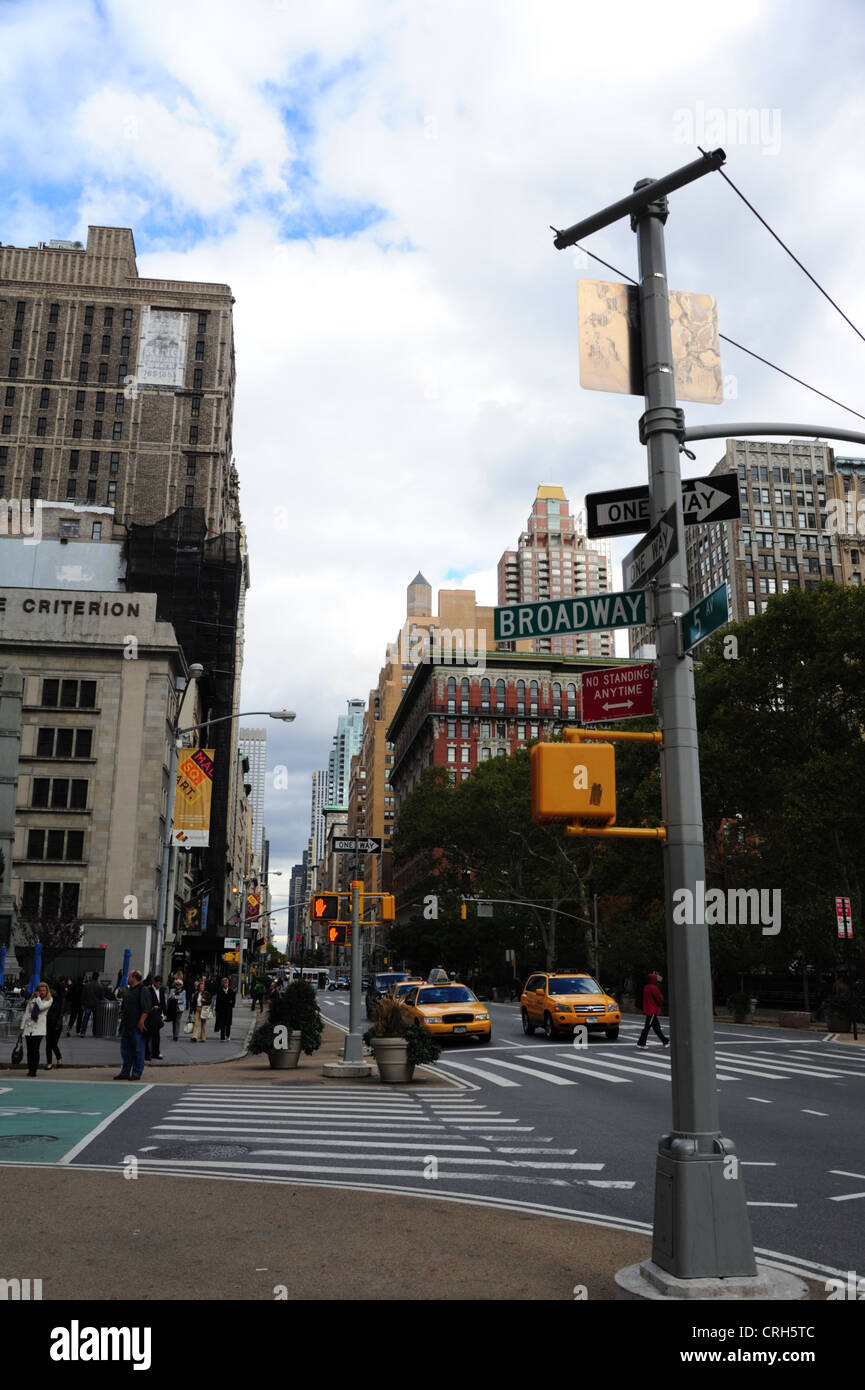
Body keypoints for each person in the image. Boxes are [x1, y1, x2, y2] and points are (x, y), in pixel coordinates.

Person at [114, 970, 154, 1080]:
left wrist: (141, 1022)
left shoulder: (143, 990)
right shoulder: (130, 990)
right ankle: (125, 1072)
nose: (128, 978)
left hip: (136, 1026)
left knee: (138, 1050)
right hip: (127, 1024)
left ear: (134, 978)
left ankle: (136, 1073)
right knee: (126, 1050)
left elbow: (146, 1009)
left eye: (129, 976)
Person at [18, 982, 52, 1076]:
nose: (42, 992)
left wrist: (37, 998)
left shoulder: (49, 1000)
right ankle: (30, 1069)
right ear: (37, 990)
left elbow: (41, 1007)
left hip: (39, 1028)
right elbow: (26, 1014)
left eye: (44, 990)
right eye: (40, 990)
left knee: (35, 1049)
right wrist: (21, 1027)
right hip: (29, 1027)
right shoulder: (32, 999)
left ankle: (34, 1070)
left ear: (47, 991)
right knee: (29, 1050)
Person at [637, 972, 669, 1048]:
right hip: (652, 1010)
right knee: (647, 1027)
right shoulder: (653, 988)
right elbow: (660, 998)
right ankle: (641, 1043)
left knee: (656, 1027)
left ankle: (665, 1041)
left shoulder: (646, 987)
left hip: (648, 1010)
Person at [145, 976, 167, 1061]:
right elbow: (146, 1002)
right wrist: (152, 1007)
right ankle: (147, 1054)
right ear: (155, 982)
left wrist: (165, 1013)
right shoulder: (149, 990)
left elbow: (163, 1002)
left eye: (160, 983)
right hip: (151, 1014)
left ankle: (156, 1053)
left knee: (156, 1035)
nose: (159, 984)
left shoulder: (161, 990)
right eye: (158, 983)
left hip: (158, 1014)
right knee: (148, 1035)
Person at [45, 984, 64, 1069]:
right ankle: (49, 1063)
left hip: (56, 1024)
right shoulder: (49, 998)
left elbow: (61, 1013)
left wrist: (58, 1024)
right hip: (48, 1023)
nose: (51, 991)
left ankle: (59, 1058)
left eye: (52, 989)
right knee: (48, 1045)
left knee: (53, 1044)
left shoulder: (61, 1000)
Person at [78, 971, 104, 1036]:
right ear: (98, 977)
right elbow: (101, 997)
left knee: (85, 1018)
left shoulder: (87, 985)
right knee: (95, 1019)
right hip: (96, 1005)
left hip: (88, 1004)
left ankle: (83, 1032)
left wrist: (83, 1003)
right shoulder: (100, 986)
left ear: (92, 976)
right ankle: (95, 1032)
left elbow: (83, 995)